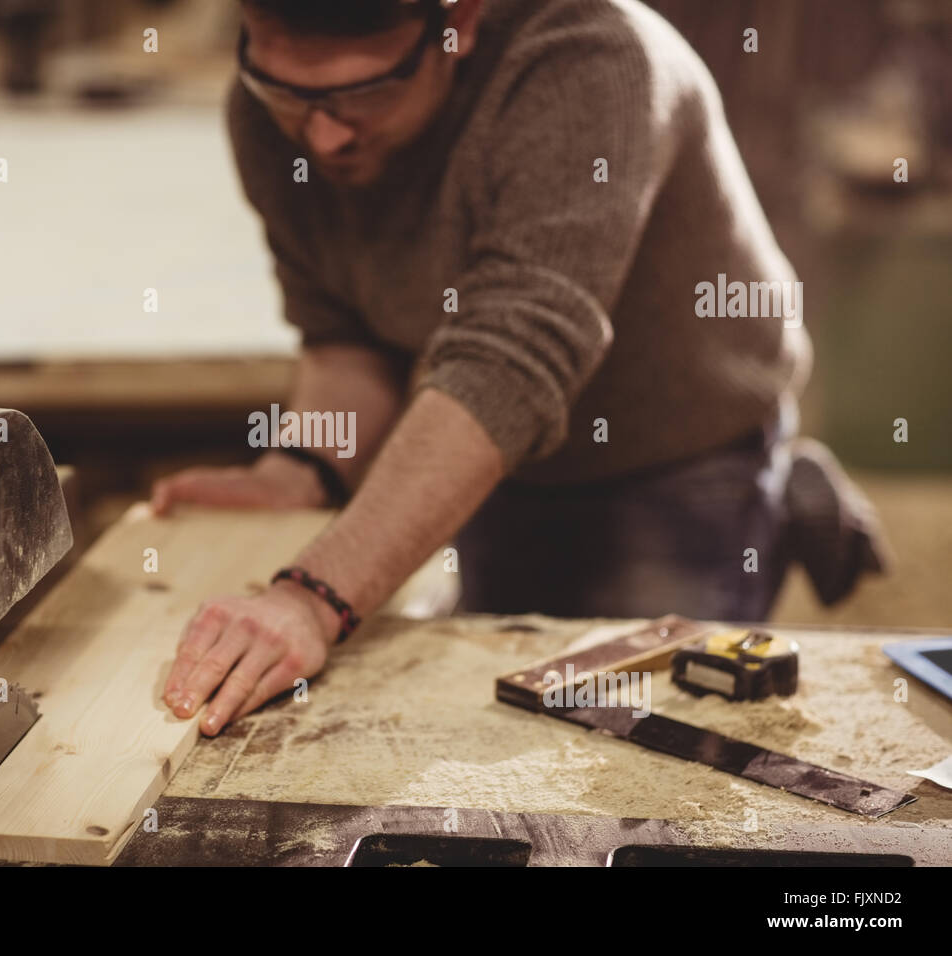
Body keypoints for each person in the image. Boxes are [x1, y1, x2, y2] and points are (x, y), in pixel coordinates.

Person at [151, 0, 886, 736]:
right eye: (290, 93)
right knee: (510, 706)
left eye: (364, 94)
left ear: (459, 23)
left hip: (674, 451)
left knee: (632, 741)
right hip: (503, 449)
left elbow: (513, 356)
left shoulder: (591, 60)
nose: (322, 135)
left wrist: (312, 597)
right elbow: (348, 331)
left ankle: (771, 498)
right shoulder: (268, 113)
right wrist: (300, 470)